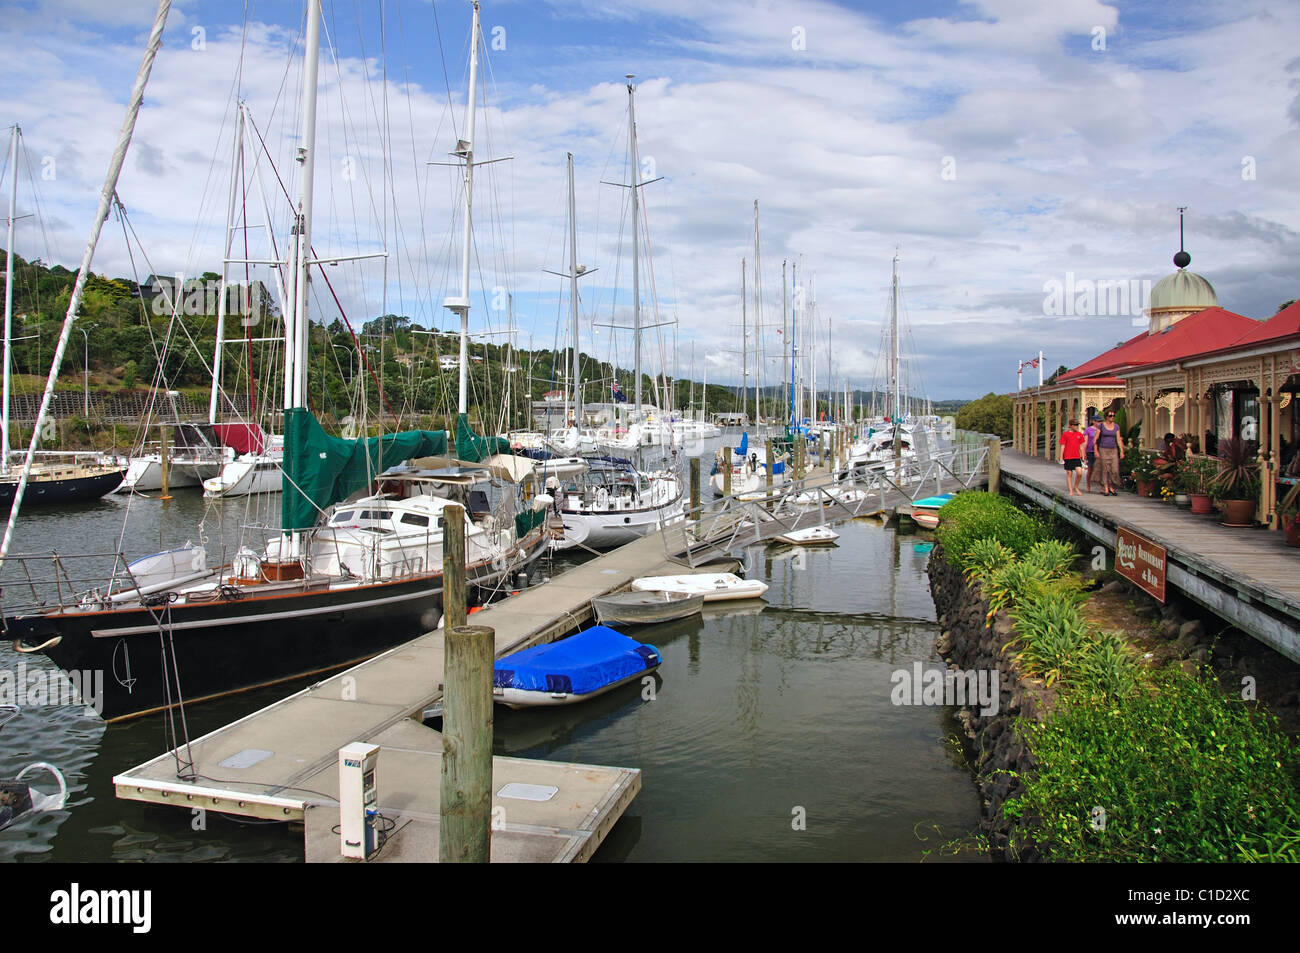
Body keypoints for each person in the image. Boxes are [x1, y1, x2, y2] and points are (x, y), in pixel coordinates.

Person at [1095, 410, 1125, 496]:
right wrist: (1096, 450)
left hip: (1113, 449)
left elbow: (1118, 439)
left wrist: (1121, 451)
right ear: (1106, 417)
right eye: (1110, 415)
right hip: (1103, 448)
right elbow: (1096, 438)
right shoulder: (1101, 426)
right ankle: (1106, 487)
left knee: (1114, 469)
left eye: (1113, 415)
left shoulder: (1116, 427)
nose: (1112, 417)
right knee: (1105, 469)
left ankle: (1111, 485)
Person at [1060, 418, 1087, 496]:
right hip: (1068, 456)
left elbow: (1081, 446)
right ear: (1070, 426)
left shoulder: (1079, 434)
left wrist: (1083, 456)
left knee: (1079, 473)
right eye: (1074, 425)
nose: (1076, 426)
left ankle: (1076, 487)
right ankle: (1070, 490)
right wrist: (1061, 457)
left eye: (1077, 425)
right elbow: (1062, 446)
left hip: (1076, 456)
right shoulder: (1065, 434)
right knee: (1069, 473)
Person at [1084, 416, 1100, 493]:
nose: (1099, 423)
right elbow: (1085, 442)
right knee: (1090, 468)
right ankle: (1088, 485)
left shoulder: (1101, 429)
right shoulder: (1088, 430)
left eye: (1100, 421)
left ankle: (1101, 486)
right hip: (1090, 450)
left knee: (1100, 469)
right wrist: (1084, 452)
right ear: (1094, 421)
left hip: (1099, 451)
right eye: (1097, 421)